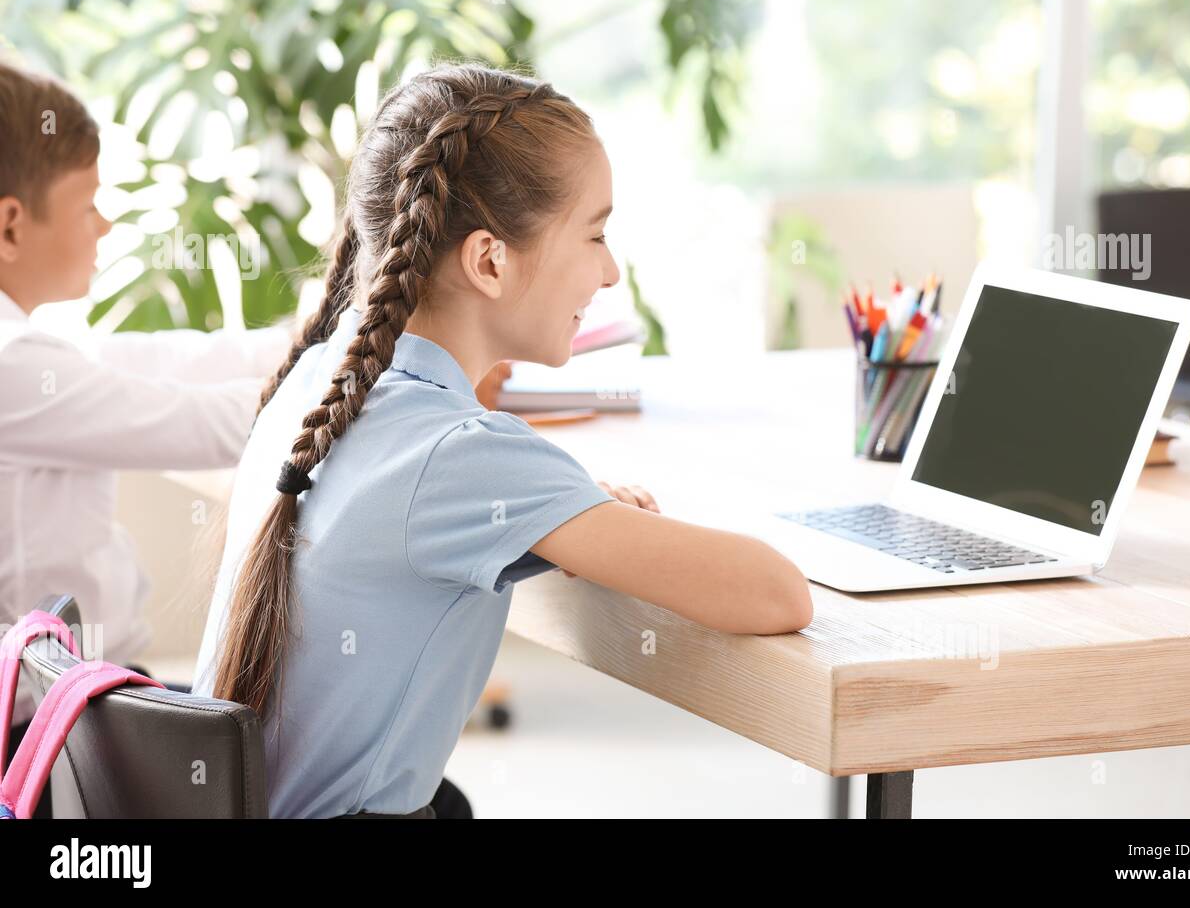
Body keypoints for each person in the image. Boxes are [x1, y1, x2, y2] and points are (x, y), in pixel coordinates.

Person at [190, 62, 812, 820]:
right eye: (595, 234)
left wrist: (562, 514)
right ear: (489, 260)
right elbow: (777, 594)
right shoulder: (459, 455)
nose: (611, 272)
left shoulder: (317, 377)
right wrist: (552, 506)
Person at [0, 60, 291, 816]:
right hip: (46, 720)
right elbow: (206, 423)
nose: (104, 225)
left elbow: (154, 365)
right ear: (9, 224)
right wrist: (361, 369)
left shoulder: (29, 349)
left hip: (69, 694)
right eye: (89, 205)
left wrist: (308, 340)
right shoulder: (13, 364)